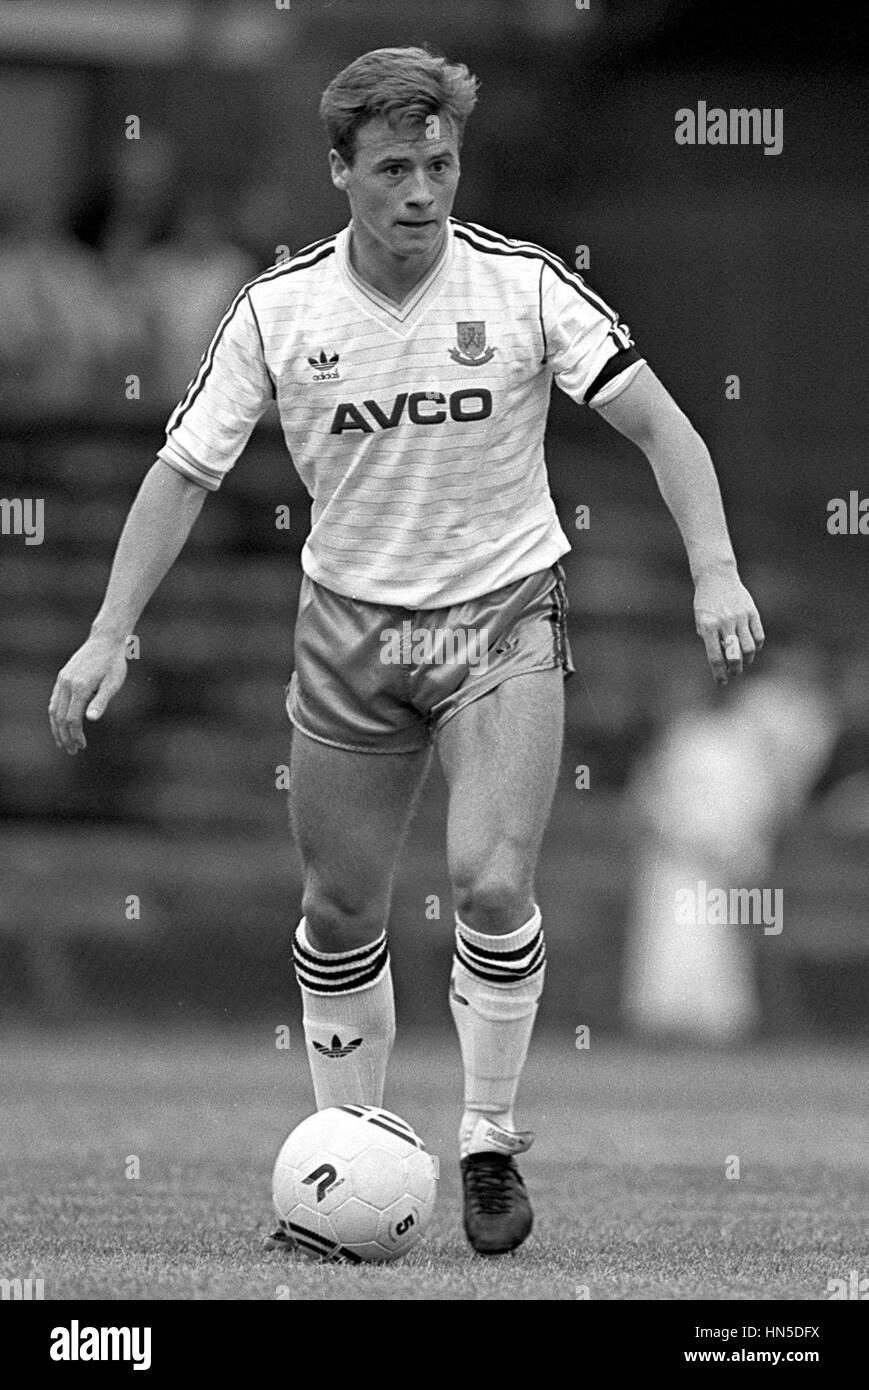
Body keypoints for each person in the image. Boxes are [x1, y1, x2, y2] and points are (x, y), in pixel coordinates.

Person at [48, 46, 764, 1257]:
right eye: (392, 167)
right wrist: (109, 630)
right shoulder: (279, 313)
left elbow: (662, 423)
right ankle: (350, 1158)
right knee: (337, 912)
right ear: (341, 171)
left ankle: (485, 1139)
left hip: (498, 619)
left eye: (438, 163)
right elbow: (181, 473)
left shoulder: (526, 287)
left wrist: (714, 568)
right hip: (348, 633)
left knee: (489, 881)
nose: (421, 190)